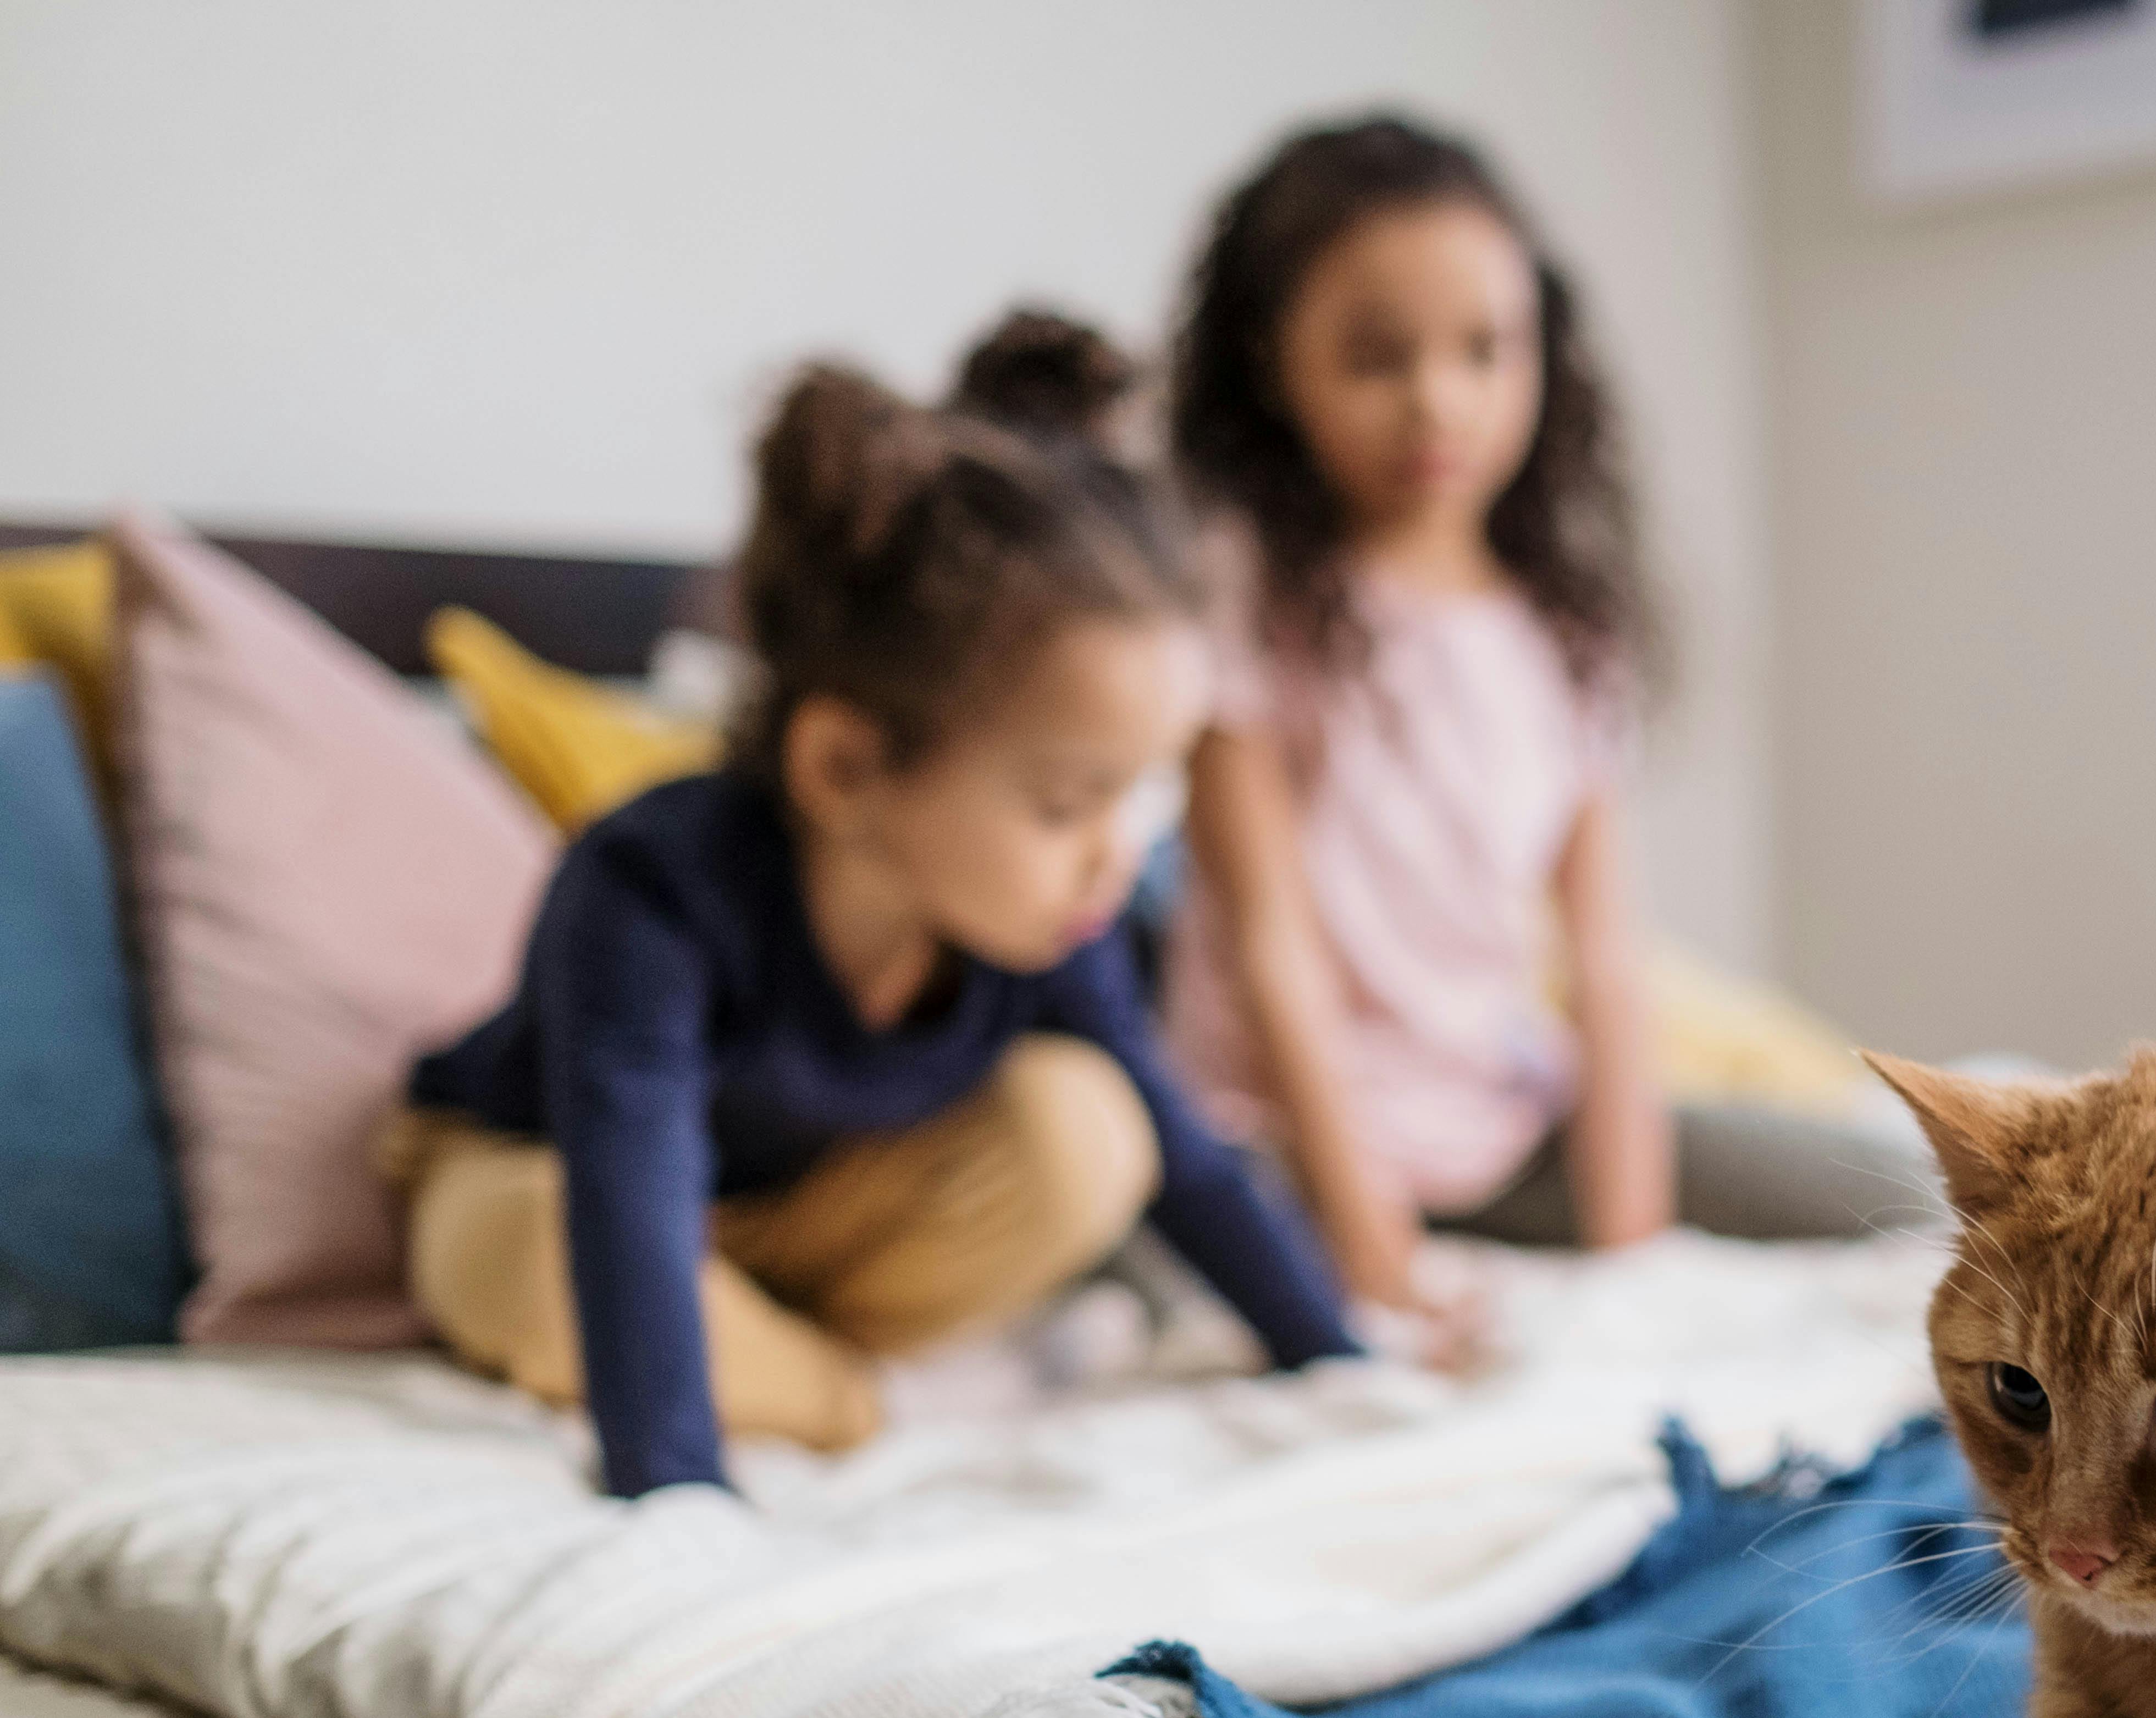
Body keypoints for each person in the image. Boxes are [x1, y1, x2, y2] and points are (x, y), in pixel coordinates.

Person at [395, 323, 1355, 1499]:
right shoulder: (651, 887)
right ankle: (866, 1401)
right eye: (1068, 801)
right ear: (846, 767)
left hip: (818, 1220)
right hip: (572, 1181)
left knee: (1092, 1127)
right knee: (528, 1260)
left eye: (1144, 791)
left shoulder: (1047, 915)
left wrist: (1339, 1357)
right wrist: (677, 1487)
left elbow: (1188, 1161)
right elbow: (628, 1184)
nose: (1123, 851)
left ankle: (786, 1369)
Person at [1154, 114, 1928, 1350]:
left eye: (1483, 351)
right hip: (1290, 1151)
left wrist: (1634, 1255)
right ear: (1270, 361)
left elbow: (1605, 966)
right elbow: (1270, 950)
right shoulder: (1245, 593)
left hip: (1505, 1136)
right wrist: (1373, 1256)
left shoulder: (1566, 631)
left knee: (1917, 1198)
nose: (1436, 401)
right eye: (1376, 357)